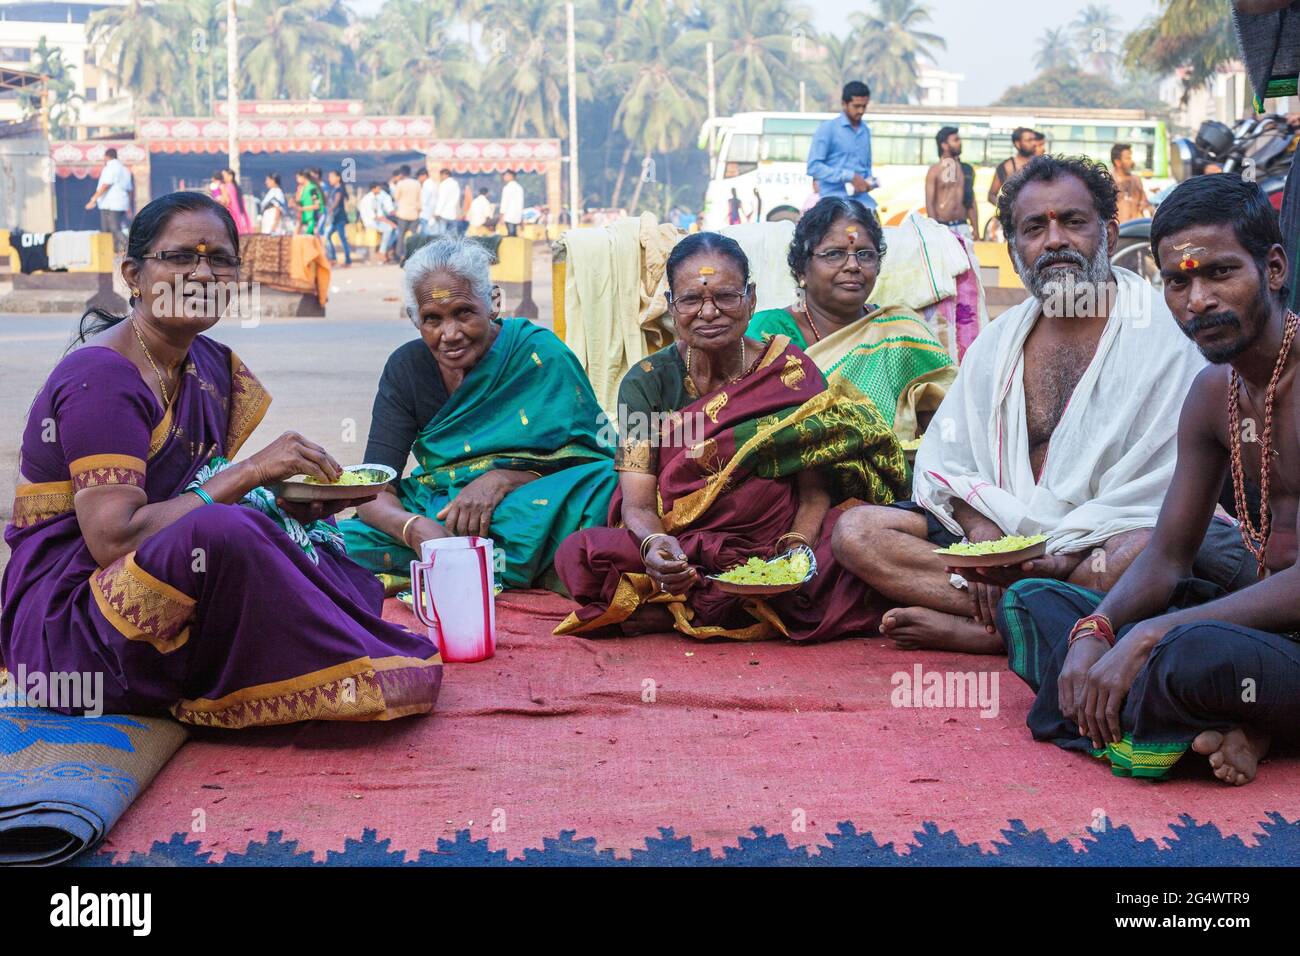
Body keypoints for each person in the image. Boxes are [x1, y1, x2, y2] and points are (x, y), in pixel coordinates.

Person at [1, 192, 442, 726]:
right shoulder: (102, 379)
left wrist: (289, 501)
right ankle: (317, 671)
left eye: (220, 260)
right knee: (226, 533)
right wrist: (252, 472)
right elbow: (113, 539)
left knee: (307, 539)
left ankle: (293, 655)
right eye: (181, 257)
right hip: (72, 627)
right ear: (133, 275)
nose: (203, 274)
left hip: (152, 575)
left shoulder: (208, 365)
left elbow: (196, 490)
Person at [833, 155, 1249, 655]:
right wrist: (984, 544)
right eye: (1034, 228)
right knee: (858, 532)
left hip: (1105, 542)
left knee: (1139, 552)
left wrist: (1062, 550)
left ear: (1110, 236)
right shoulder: (999, 341)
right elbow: (952, 462)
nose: (1055, 241)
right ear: (1014, 250)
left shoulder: (1165, 330)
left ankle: (995, 631)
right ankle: (1033, 618)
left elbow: (1163, 489)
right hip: (1005, 537)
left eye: (1073, 222)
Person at [999, 174, 1300, 785]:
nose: (1199, 301)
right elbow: (1167, 556)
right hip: (1259, 631)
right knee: (1035, 604)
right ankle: (1203, 726)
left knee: (1184, 655)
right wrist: (1099, 631)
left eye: (1220, 273)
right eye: (1179, 281)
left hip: (1256, 643)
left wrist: (1154, 634)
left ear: (1272, 268)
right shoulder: (1214, 392)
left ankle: (1163, 723)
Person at [553, 232, 910, 642]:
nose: (709, 312)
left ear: (751, 298)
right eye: (691, 300)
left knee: (848, 546)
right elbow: (636, 501)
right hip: (684, 542)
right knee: (582, 554)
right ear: (671, 306)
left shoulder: (790, 371)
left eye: (726, 296)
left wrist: (795, 551)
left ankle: (695, 603)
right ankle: (705, 595)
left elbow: (814, 491)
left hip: (780, 536)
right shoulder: (645, 383)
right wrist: (656, 545)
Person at [338, 238, 618, 592]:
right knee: (331, 542)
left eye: (463, 313)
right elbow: (373, 489)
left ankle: (476, 560)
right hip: (444, 510)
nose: (450, 334)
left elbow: (594, 458)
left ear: (493, 303)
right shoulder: (406, 368)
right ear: (414, 319)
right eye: (432, 319)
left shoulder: (540, 354)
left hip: (534, 502)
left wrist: (501, 480)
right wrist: (415, 530)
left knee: (613, 488)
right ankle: (530, 564)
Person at [746, 196, 956, 439]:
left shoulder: (900, 331)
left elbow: (948, 422)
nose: (853, 265)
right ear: (802, 268)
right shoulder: (769, 332)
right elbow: (754, 426)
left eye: (865, 254)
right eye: (834, 254)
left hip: (892, 471)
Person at [806, 81, 877, 211]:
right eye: (856, 106)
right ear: (844, 104)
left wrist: (867, 182)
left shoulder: (865, 130)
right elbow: (813, 167)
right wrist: (849, 176)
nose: (861, 111)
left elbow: (866, 168)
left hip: (862, 202)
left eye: (864, 106)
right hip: (833, 202)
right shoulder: (828, 129)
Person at [925, 126, 978, 239]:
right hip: (943, 227)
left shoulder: (967, 169)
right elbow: (929, 204)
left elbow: (971, 201)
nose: (960, 143)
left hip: (963, 226)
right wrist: (935, 230)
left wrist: (976, 229)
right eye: (955, 140)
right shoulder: (934, 171)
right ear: (944, 145)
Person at [84, 147, 133, 254]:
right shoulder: (125, 169)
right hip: (121, 203)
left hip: (111, 203)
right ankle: (114, 253)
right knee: (108, 230)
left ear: (106, 157)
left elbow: (106, 185)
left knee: (113, 229)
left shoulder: (111, 167)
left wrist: (93, 199)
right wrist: (128, 206)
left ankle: (130, 247)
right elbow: (129, 190)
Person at [987, 127, 1039, 207]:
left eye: (1034, 139)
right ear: (1017, 144)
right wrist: (1008, 209)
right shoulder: (1007, 167)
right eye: (1029, 140)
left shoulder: (1042, 163)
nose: (1034, 143)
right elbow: (991, 195)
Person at [1111, 143, 1153, 223]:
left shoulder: (1136, 180)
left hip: (1135, 231)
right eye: (1128, 158)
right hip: (1117, 231)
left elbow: (1145, 205)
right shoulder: (1108, 181)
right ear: (1117, 162)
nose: (1132, 162)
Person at [358, 181, 398, 263]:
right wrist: (390, 223)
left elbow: (381, 214)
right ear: (373, 189)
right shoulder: (368, 199)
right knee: (389, 228)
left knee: (397, 231)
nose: (380, 189)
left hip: (377, 221)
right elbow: (375, 217)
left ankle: (384, 249)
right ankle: (382, 251)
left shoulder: (377, 197)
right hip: (370, 222)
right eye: (378, 188)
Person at [322, 169, 352, 268]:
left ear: (338, 178)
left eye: (331, 177)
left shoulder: (339, 189)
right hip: (335, 218)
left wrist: (331, 209)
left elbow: (336, 201)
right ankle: (333, 258)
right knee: (328, 236)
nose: (329, 179)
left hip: (339, 217)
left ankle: (347, 260)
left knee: (342, 239)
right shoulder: (334, 189)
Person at [391, 165, 422, 258]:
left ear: (401, 174)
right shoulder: (417, 183)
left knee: (401, 235)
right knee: (414, 235)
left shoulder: (400, 184)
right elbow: (419, 199)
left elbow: (396, 198)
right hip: (414, 213)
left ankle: (399, 254)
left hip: (403, 213)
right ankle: (414, 254)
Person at [214, 169, 252, 235]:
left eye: (224, 175)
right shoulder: (235, 187)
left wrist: (216, 198)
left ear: (230, 176)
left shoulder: (225, 186)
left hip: (230, 214)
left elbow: (226, 201)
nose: (222, 177)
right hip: (236, 215)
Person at [294, 169, 324, 236]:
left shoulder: (312, 188)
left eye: (298, 177)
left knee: (312, 238)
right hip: (305, 217)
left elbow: (317, 205)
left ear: (304, 177)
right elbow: (299, 202)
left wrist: (303, 209)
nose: (297, 180)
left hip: (312, 219)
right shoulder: (303, 188)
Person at [435, 168, 462, 236]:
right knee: (453, 237)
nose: (440, 178)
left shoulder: (444, 184)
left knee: (442, 237)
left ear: (445, 175)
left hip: (444, 214)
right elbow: (457, 199)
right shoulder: (455, 184)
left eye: (441, 176)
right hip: (453, 214)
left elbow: (442, 199)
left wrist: (437, 213)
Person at [500, 170, 524, 237]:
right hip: (517, 215)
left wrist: (501, 216)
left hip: (509, 215)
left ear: (511, 176)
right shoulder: (519, 188)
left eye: (506, 175)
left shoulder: (507, 188)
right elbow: (521, 203)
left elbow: (504, 202)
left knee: (511, 234)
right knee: (514, 233)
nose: (504, 177)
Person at [417, 167, 438, 236]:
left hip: (425, 213)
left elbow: (424, 200)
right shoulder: (432, 183)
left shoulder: (427, 185)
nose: (418, 179)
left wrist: (418, 209)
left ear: (424, 176)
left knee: (424, 236)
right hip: (429, 212)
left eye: (419, 177)